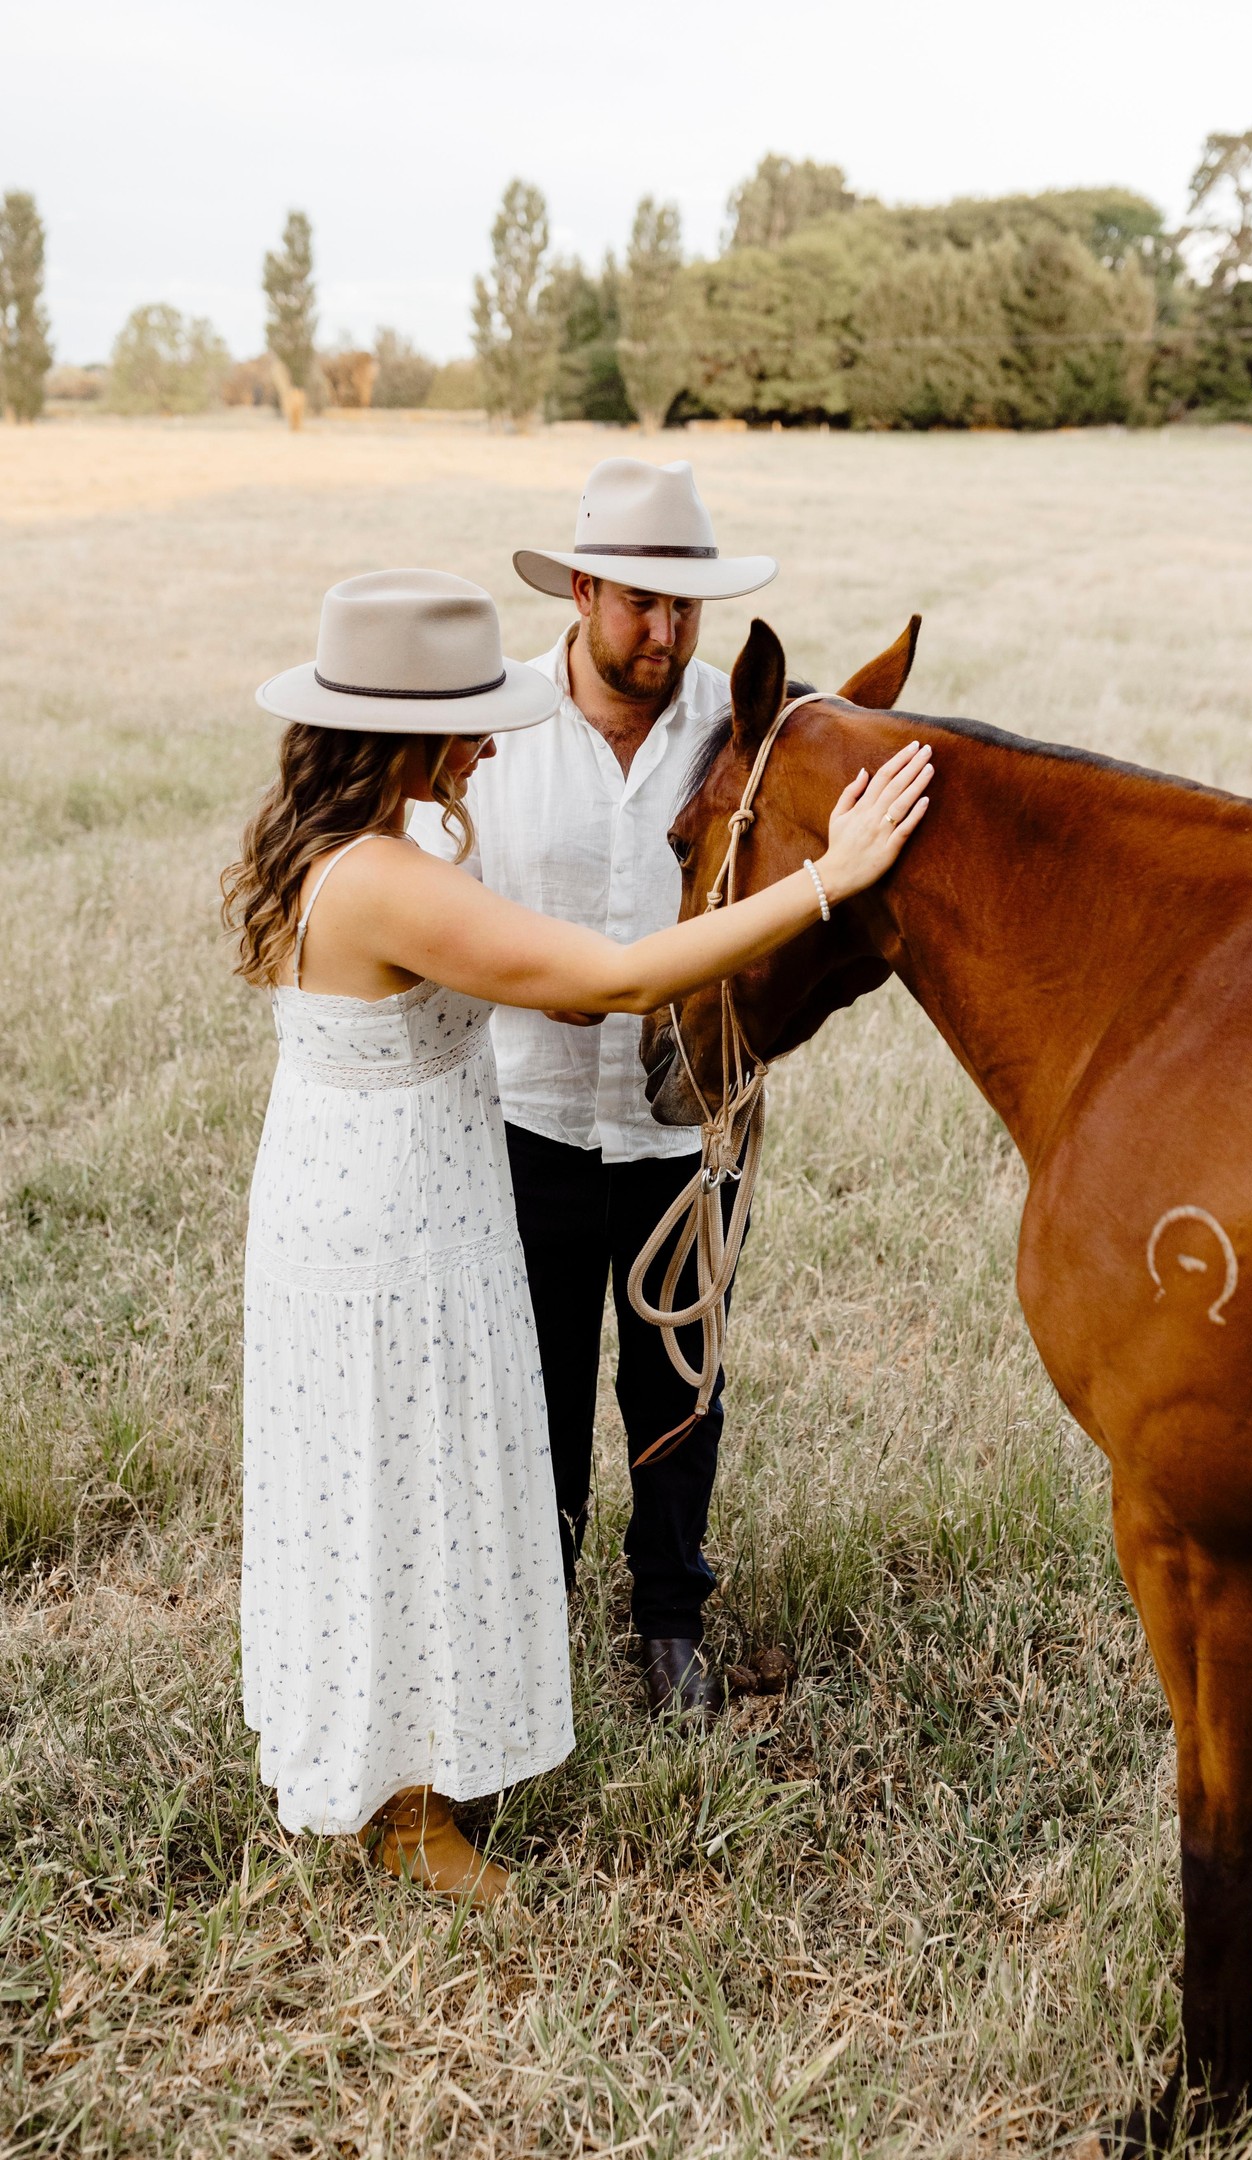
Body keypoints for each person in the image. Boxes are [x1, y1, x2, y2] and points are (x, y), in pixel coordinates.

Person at [226, 566, 932, 1901]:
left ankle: (395, 1755)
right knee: (408, 1484)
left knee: (392, 1483)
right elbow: (609, 978)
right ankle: (415, 1813)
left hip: (377, 1195)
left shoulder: (369, 845)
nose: (496, 742)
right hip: (391, 1223)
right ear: (402, 735)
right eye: (470, 723)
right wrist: (827, 884)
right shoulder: (381, 876)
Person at [412, 456, 783, 1721]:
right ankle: (540, 1598)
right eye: (640, 605)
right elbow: (427, 900)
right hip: (527, 1119)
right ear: (581, 590)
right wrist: (526, 982)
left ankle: (671, 1614)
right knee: (536, 1379)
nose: (666, 634)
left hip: (687, 1136)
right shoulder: (495, 721)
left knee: (680, 1381)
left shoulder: (739, 732)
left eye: (687, 609)